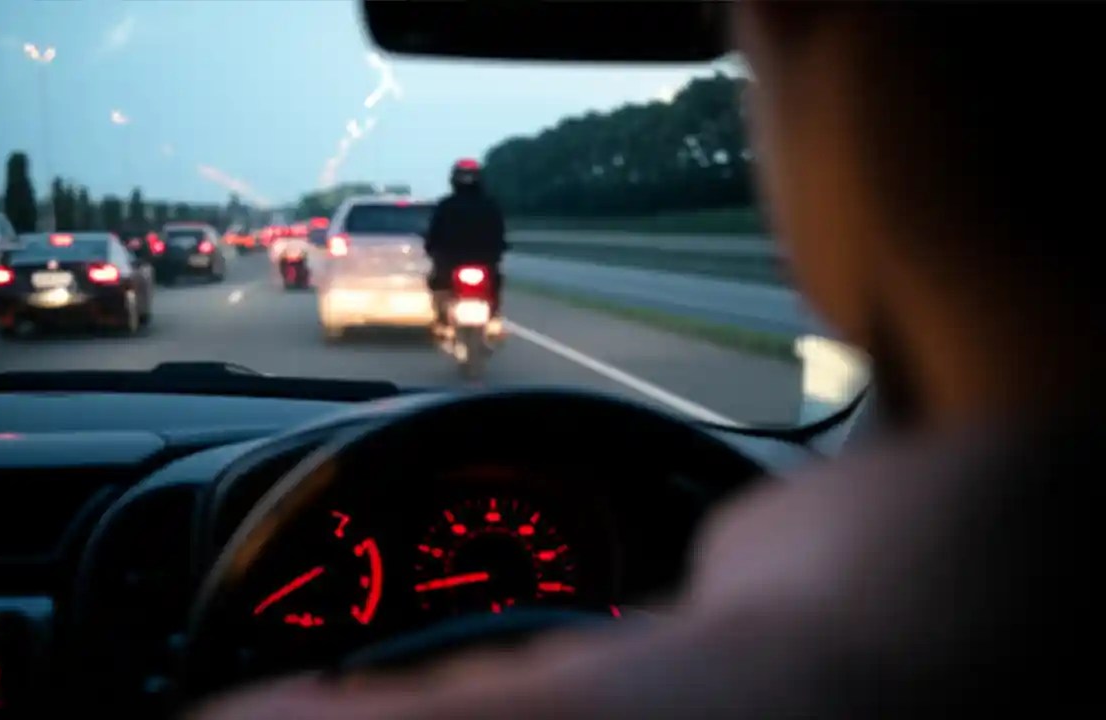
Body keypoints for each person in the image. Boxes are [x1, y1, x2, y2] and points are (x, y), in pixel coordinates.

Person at [198, 3, 1102, 717]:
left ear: (785, 19)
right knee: (469, 295)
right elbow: (484, 240)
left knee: (462, 295)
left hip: (458, 274)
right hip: (469, 272)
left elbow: (470, 240)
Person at [423, 158, 509, 337]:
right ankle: (492, 317)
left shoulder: (445, 205)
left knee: (438, 283)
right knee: (495, 281)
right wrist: (500, 248)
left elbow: (433, 233)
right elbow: (500, 231)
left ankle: (443, 321)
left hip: (453, 260)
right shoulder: (490, 205)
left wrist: (431, 247)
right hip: (483, 259)